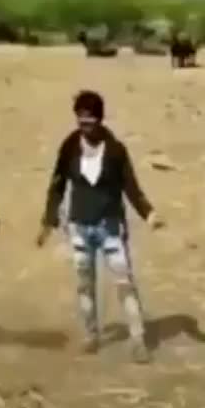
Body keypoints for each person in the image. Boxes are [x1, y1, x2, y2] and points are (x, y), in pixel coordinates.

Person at [36, 90, 164, 362]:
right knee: (84, 284)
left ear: (100, 120)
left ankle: (138, 338)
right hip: (79, 228)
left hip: (110, 226)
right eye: (81, 122)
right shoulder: (69, 146)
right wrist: (48, 220)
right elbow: (57, 184)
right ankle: (90, 335)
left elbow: (130, 186)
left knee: (124, 282)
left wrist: (149, 213)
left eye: (90, 123)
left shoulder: (116, 150)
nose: (85, 128)